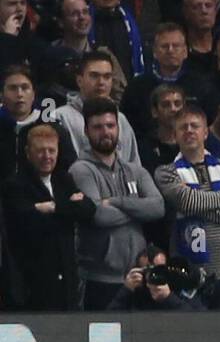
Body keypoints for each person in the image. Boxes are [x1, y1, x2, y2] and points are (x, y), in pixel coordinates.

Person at [68, 97, 165, 310]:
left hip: (138, 274)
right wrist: (139, 208)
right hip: (99, 278)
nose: (105, 132)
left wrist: (115, 202)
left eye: (110, 126)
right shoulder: (81, 170)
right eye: (98, 127)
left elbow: (158, 207)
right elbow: (98, 216)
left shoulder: (135, 170)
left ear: (118, 128)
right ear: (86, 131)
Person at [154, 104, 220, 310]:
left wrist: (199, 204)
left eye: (194, 126)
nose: (189, 130)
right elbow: (188, 203)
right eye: (183, 127)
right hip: (189, 272)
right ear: (175, 135)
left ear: (205, 132)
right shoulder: (166, 172)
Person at [1, 123, 95, 310]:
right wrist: (68, 207)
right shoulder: (15, 185)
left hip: (67, 280)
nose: (47, 156)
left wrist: (52, 208)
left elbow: (88, 209)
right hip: (33, 282)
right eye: (40, 151)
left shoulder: (64, 180)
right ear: (28, 152)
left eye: (51, 150)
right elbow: (27, 219)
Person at [54, 50, 141, 164]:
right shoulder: (60, 117)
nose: (101, 82)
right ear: (79, 80)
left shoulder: (121, 119)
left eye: (107, 77)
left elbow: (134, 166)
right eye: (94, 76)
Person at [106, 246, 205, 311]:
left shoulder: (177, 285)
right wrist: (126, 290)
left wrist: (169, 298)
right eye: (148, 270)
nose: (155, 275)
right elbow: (109, 322)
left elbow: (199, 320)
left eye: (160, 269)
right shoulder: (135, 292)